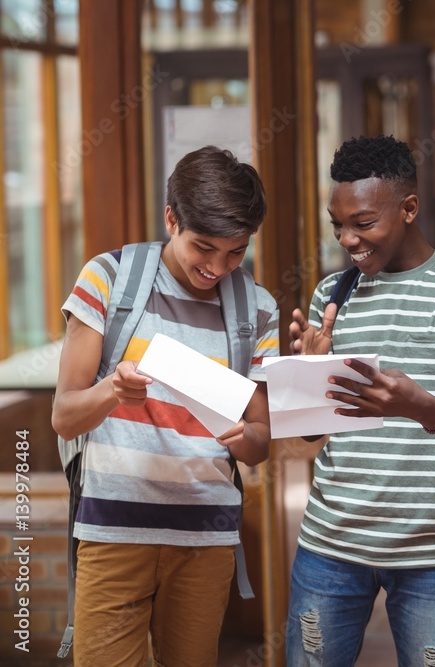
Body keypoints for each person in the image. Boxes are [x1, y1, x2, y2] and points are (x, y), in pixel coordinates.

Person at [284, 134, 435, 667]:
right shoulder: (331, 296)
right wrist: (311, 378)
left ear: (408, 208)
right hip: (330, 547)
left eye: (363, 223)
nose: (348, 239)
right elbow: (311, 436)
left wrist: (417, 405)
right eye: (337, 225)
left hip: (434, 554)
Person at [51, 145, 278, 666]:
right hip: (112, 530)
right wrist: (113, 390)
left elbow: (261, 441)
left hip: (206, 540)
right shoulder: (109, 279)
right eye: (204, 248)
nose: (217, 268)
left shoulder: (257, 308)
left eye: (236, 252)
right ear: (171, 218)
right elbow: (64, 416)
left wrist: (249, 440)